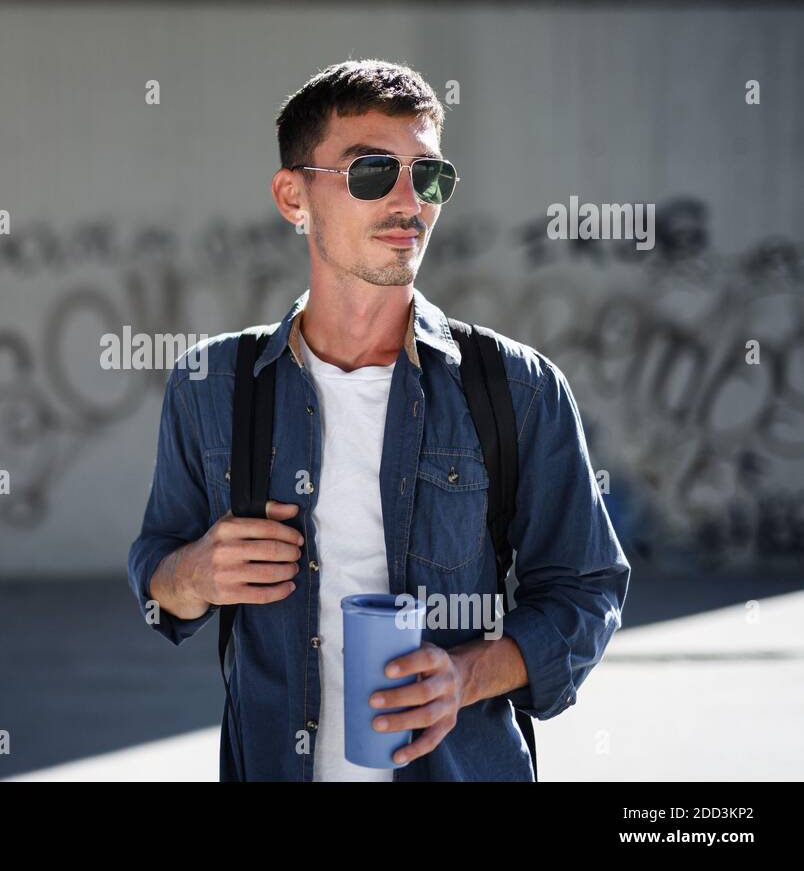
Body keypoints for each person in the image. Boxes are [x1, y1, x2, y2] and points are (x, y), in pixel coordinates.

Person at [126, 58, 630, 781]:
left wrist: (467, 675)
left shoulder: (515, 387)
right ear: (293, 197)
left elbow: (588, 587)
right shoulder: (213, 385)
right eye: (371, 173)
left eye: (428, 177)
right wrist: (195, 573)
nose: (408, 203)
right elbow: (157, 574)